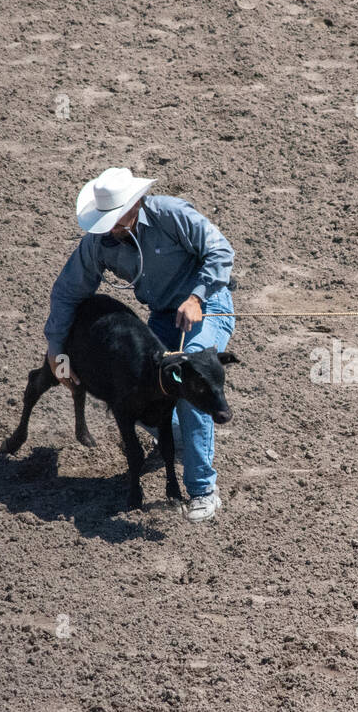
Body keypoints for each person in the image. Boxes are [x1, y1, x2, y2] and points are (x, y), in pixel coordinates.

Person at [43, 167, 235, 522]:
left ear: (136, 204)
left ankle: (203, 489)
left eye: (118, 221)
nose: (113, 230)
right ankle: (182, 442)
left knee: (189, 384)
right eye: (108, 223)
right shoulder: (99, 244)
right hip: (163, 316)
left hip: (208, 307)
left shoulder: (171, 214)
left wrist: (196, 296)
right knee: (143, 389)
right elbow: (68, 292)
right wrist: (56, 349)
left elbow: (221, 251)